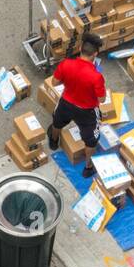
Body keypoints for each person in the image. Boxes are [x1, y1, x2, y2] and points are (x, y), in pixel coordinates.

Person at [47, 33, 106, 178]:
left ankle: (54, 141)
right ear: (95, 54)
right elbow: (102, 99)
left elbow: (54, 82)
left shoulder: (66, 64)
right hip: (86, 112)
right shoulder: (96, 76)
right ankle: (88, 167)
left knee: (57, 122)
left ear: (80, 48)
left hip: (66, 103)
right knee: (91, 140)